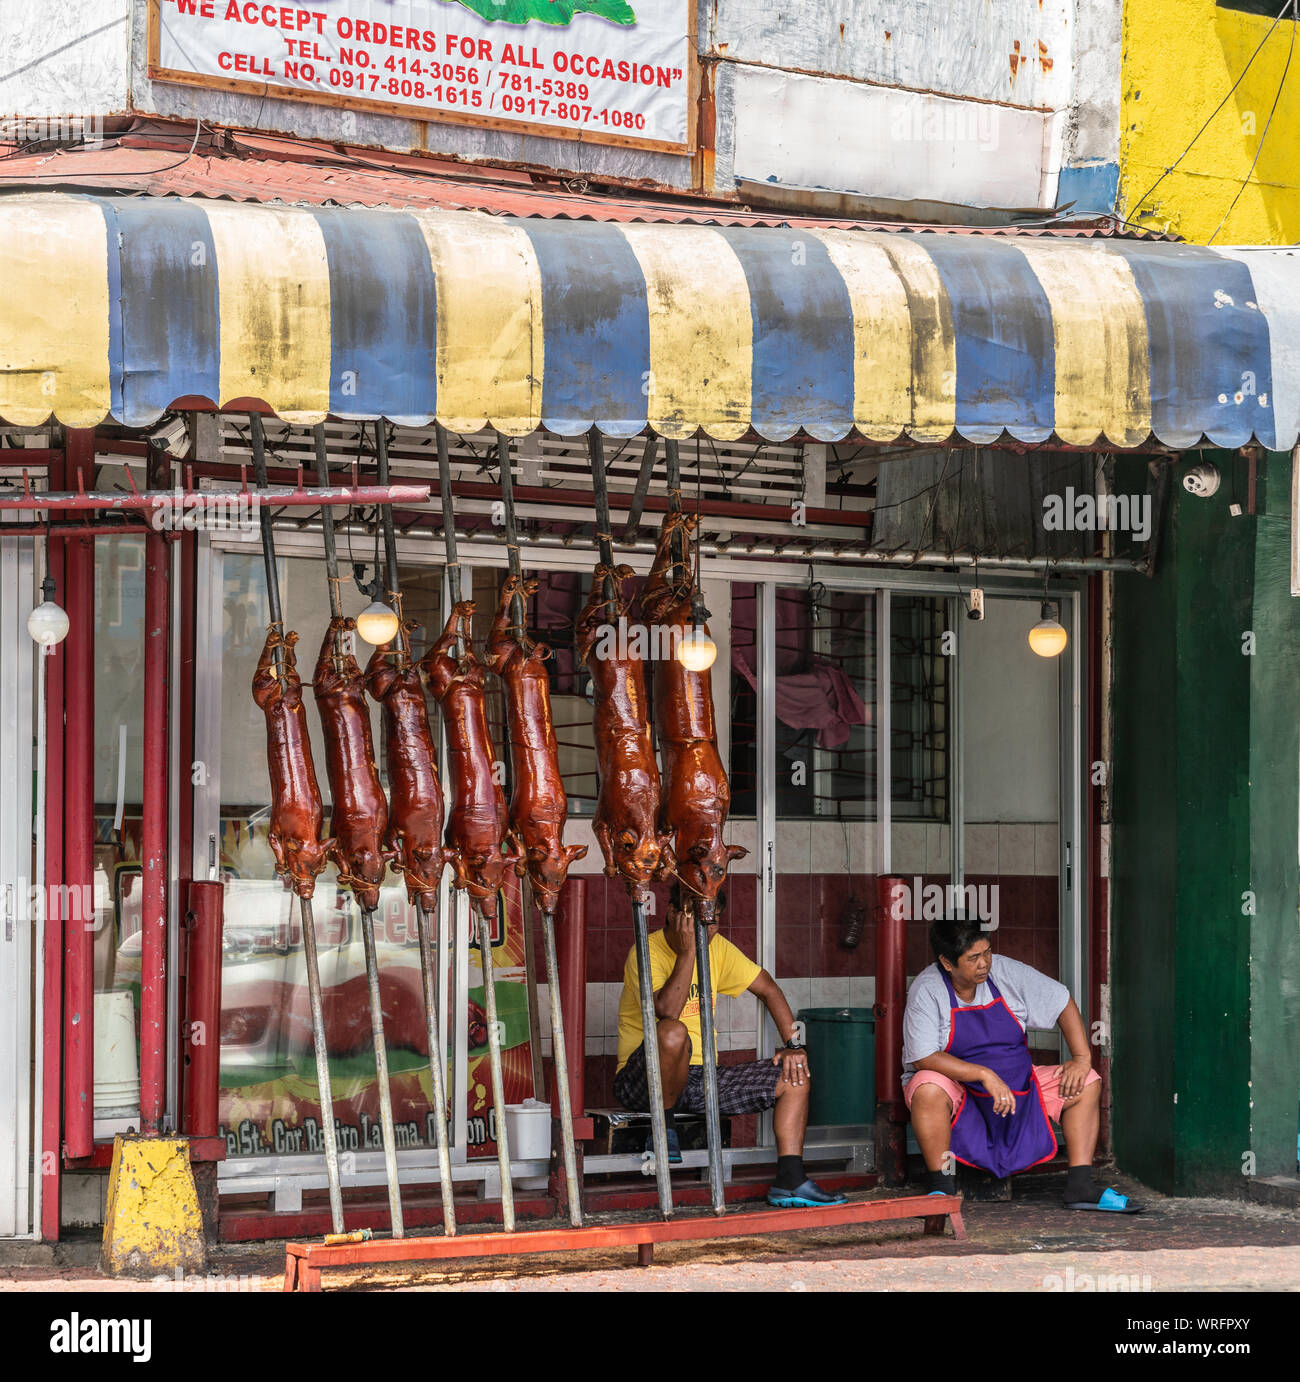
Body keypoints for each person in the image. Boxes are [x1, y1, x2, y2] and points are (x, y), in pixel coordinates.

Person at [614, 883, 846, 1208]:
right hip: (644, 1078)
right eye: (695, 918)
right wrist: (689, 952)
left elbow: (768, 987)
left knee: (795, 1076)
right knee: (673, 1031)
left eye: (713, 921)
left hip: (700, 1078)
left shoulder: (718, 948)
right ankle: (662, 1129)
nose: (705, 929)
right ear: (671, 913)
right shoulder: (646, 951)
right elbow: (666, 1010)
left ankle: (790, 1179)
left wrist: (794, 1045)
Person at [902, 917, 1141, 1211]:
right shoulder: (927, 990)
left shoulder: (1005, 972)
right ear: (947, 962)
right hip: (963, 1092)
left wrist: (1081, 1058)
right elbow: (924, 1056)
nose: (984, 964)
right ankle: (941, 1189)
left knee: (1087, 1081)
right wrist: (983, 1075)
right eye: (973, 958)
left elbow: (1061, 1000)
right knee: (926, 1086)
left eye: (987, 952)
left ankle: (1080, 1185)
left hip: (1019, 1088)